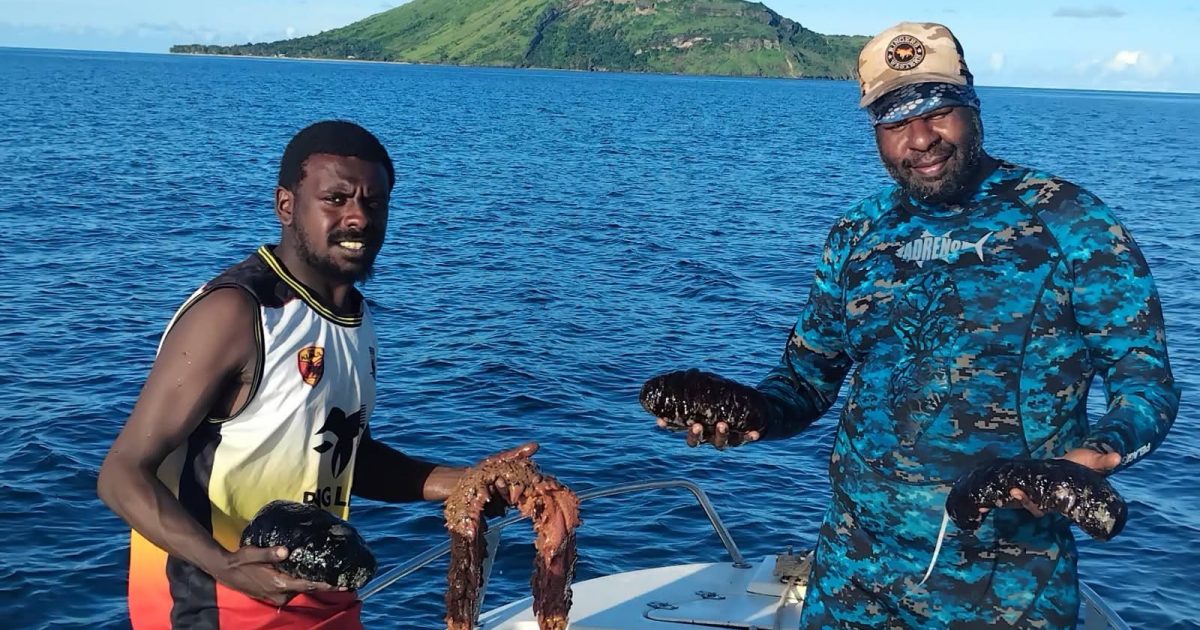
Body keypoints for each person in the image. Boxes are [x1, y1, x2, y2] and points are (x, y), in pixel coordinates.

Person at [641, 22, 1179, 628]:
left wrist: (1089, 461)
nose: (921, 139)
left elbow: (1146, 383)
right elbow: (806, 380)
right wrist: (747, 416)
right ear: (875, 129)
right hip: (852, 567)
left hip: (1004, 583)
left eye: (938, 110)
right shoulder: (857, 234)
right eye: (896, 121)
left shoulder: (1070, 222)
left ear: (971, 104)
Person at [97, 120, 536, 629]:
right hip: (218, 605)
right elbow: (121, 473)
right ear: (286, 205)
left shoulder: (356, 318)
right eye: (336, 199)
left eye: (373, 203)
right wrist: (226, 565)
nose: (358, 218)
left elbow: (345, 455)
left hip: (324, 600)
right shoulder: (237, 315)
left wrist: (461, 482)